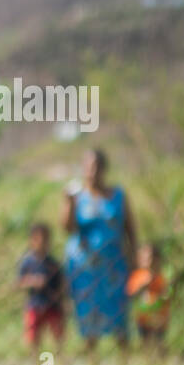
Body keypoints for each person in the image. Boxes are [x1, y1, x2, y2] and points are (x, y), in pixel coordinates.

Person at [61, 148, 137, 354]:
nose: (91, 172)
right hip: (84, 266)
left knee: (117, 305)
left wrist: (135, 257)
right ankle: (90, 350)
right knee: (87, 306)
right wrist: (68, 203)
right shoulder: (77, 197)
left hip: (113, 263)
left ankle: (125, 351)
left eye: (95, 167)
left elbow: (129, 228)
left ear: (104, 169)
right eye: (87, 167)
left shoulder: (117, 196)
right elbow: (67, 228)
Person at [16, 222, 66, 355]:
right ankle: (36, 359)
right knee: (33, 334)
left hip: (52, 304)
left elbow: (61, 283)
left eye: (45, 239)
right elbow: (19, 282)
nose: (42, 243)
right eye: (38, 239)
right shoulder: (27, 263)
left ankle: (58, 357)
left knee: (57, 333)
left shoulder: (53, 263)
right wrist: (33, 281)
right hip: (34, 304)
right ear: (31, 240)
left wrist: (59, 295)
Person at [127, 242, 172, 354]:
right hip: (143, 317)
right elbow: (131, 293)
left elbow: (167, 294)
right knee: (145, 340)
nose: (149, 261)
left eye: (152, 258)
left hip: (159, 316)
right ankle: (147, 356)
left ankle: (160, 356)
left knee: (158, 340)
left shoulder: (161, 277)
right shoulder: (137, 276)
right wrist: (144, 286)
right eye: (145, 258)